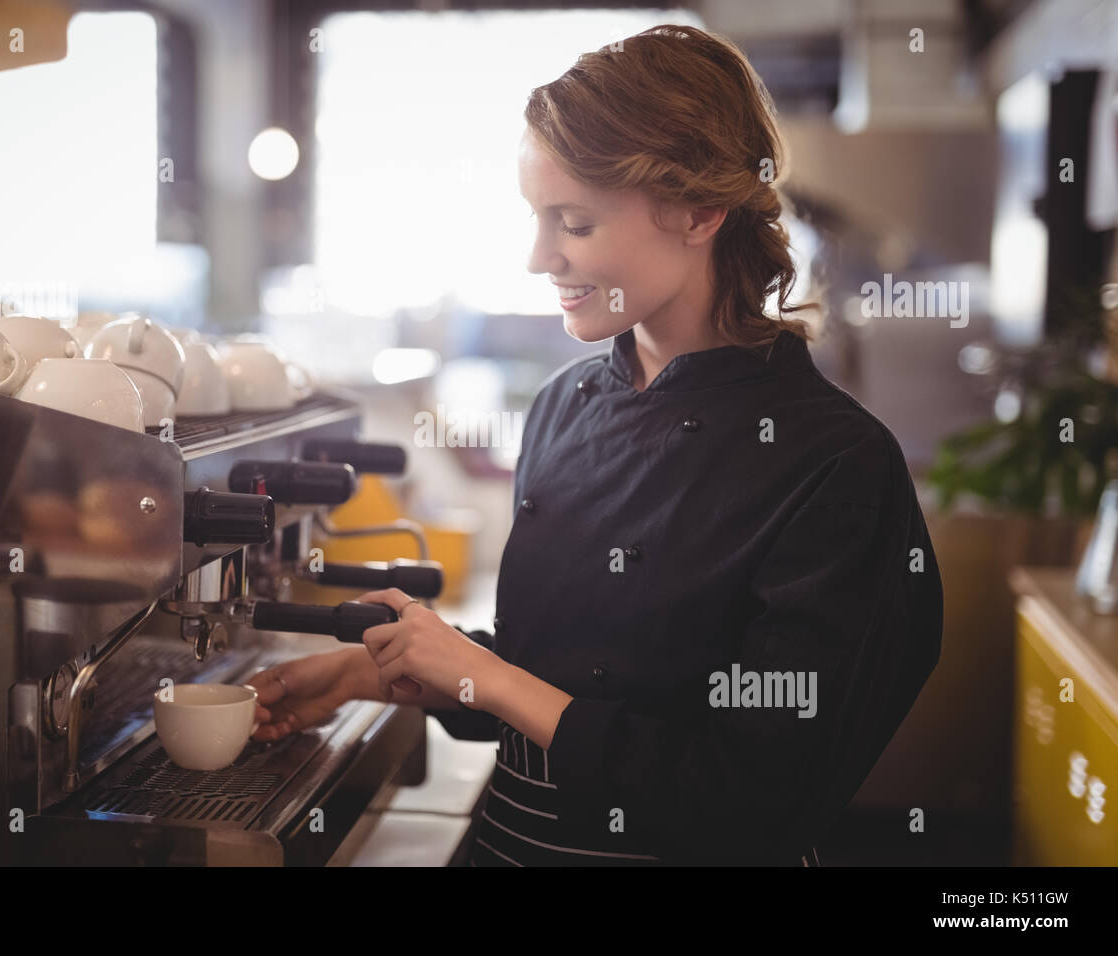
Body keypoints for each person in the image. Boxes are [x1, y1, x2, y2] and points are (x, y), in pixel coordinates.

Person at [248, 23, 943, 866]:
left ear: (701, 210)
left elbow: (757, 799)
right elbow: (582, 679)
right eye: (538, 219)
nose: (539, 257)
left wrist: (494, 678)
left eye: (572, 222)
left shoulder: (836, 468)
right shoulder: (562, 408)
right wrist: (387, 673)